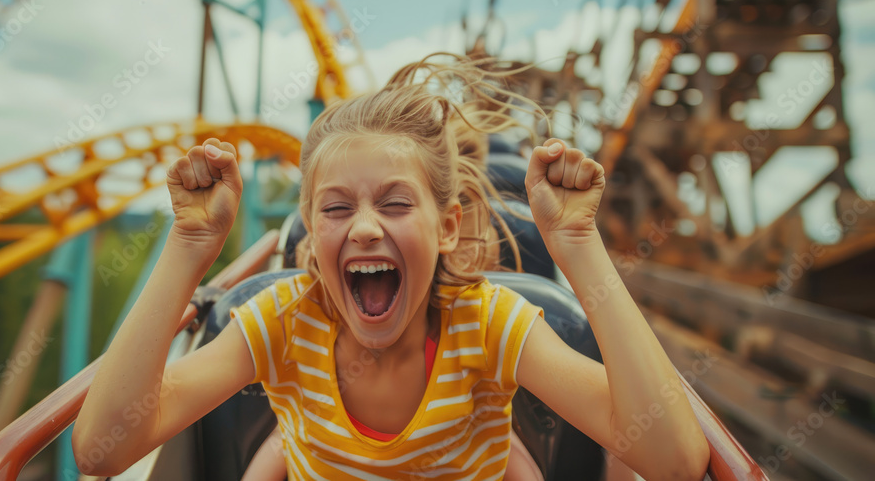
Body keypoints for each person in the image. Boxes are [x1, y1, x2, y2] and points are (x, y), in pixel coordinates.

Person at [72, 53, 710, 481]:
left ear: (447, 226)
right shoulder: (282, 321)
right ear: (312, 229)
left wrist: (578, 245)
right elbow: (103, 448)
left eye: (396, 203)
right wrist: (189, 247)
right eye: (337, 208)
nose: (365, 227)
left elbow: (675, 461)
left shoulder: (489, 324)